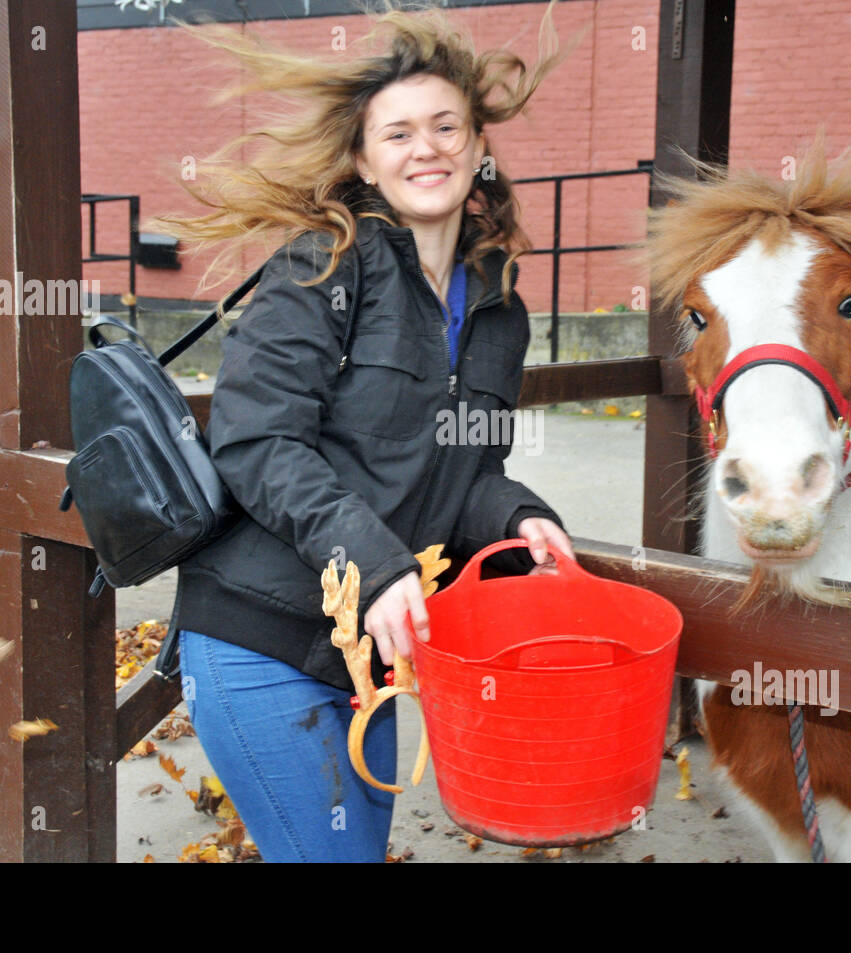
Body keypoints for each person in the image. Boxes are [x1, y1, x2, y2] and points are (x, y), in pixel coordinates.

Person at [156, 1, 577, 862]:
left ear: (479, 147)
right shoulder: (325, 263)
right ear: (363, 159)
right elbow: (255, 441)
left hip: (364, 662)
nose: (427, 148)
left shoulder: (501, 311)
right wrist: (375, 565)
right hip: (260, 638)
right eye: (398, 134)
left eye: (446, 126)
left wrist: (516, 516)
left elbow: (464, 477)